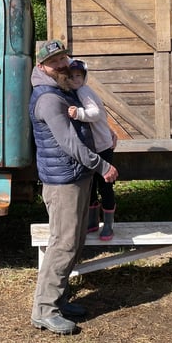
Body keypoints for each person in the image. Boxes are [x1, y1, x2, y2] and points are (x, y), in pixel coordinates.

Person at [29, 39, 118, 335]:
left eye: (64, 58)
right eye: (55, 61)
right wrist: (103, 165)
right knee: (63, 243)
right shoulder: (48, 99)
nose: (62, 64)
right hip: (63, 182)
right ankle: (45, 310)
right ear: (42, 67)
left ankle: (59, 299)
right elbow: (69, 143)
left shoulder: (63, 91)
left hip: (77, 177)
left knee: (76, 241)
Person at [66, 59, 117, 240]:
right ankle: (93, 222)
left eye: (78, 75)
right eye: (71, 76)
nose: (75, 79)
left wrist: (79, 114)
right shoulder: (75, 92)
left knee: (105, 185)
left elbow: (95, 113)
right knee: (91, 185)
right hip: (93, 147)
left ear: (84, 76)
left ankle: (109, 224)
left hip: (102, 147)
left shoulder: (83, 90)